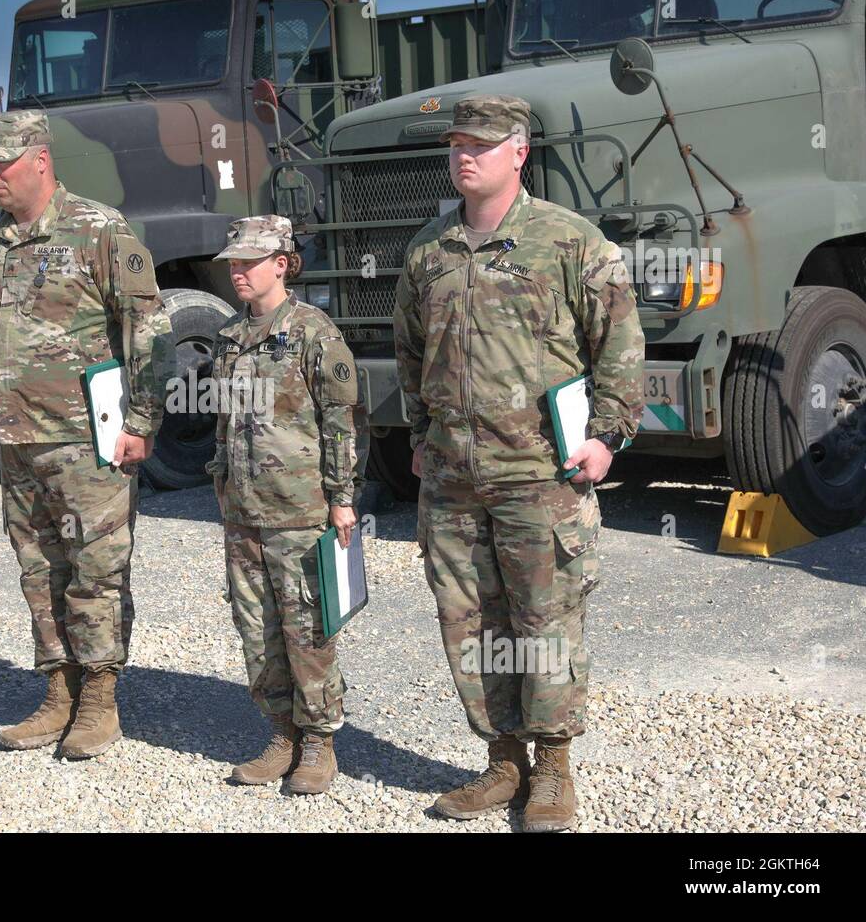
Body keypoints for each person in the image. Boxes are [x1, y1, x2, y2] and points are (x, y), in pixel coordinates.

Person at [393, 95, 645, 830]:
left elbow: (621, 349)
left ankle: (555, 769)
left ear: (518, 152)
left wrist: (607, 436)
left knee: (545, 622)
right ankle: (505, 762)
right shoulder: (427, 251)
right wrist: (417, 432)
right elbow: (411, 356)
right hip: (451, 480)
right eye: (456, 144)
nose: (464, 154)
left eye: (481, 143)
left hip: (541, 478)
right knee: (470, 625)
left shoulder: (571, 242)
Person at [0, 112, 175, 759]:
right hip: (18, 441)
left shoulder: (99, 230)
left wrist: (142, 421)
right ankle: (58, 691)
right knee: (38, 572)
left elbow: (149, 329)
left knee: (95, 571)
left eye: (1, 163)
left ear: (39, 159)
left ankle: (100, 700)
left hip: (89, 438)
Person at [207, 215, 367, 795]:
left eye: (250, 261)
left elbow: (340, 421)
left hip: (300, 510)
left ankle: (319, 741)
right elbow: (225, 426)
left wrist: (343, 499)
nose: (238, 272)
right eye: (233, 262)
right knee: (257, 628)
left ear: (282, 263)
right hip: (243, 512)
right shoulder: (228, 337)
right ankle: (281, 733)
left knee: (307, 630)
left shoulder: (313, 333)